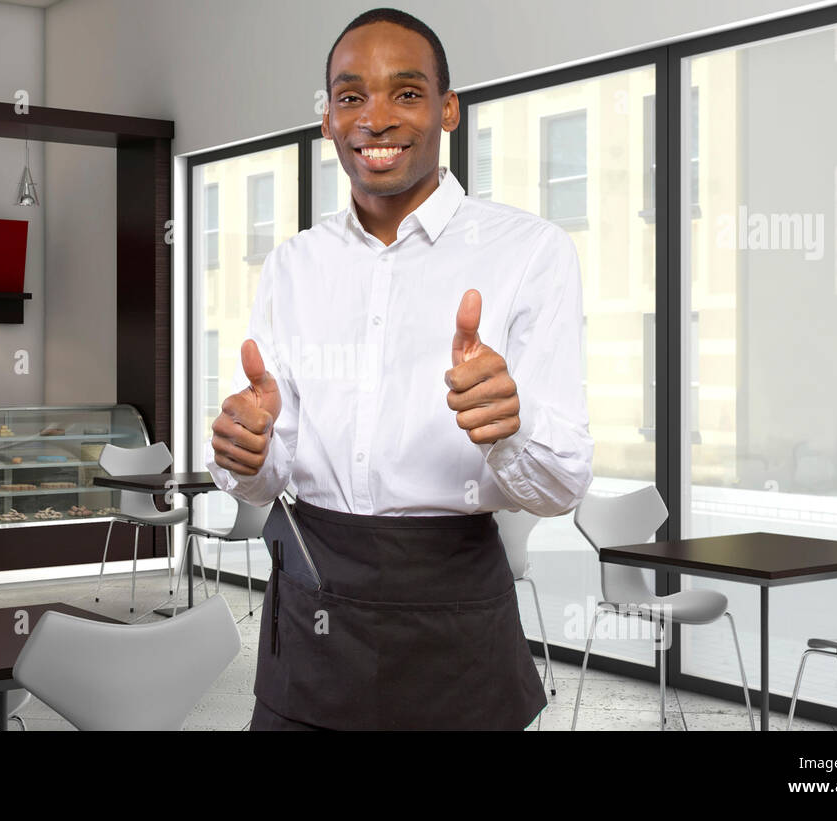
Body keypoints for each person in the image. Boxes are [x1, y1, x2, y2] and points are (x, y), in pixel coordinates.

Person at [205, 7, 594, 730]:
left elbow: (563, 484)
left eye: (406, 93)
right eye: (351, 96)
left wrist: (513, 426)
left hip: (455, 623)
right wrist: (247, 453)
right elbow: (268, 474)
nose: (375, 118)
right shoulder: (293, 265)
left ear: (448, 109)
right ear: (327, 119)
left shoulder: (530, 253)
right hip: (310, 612)